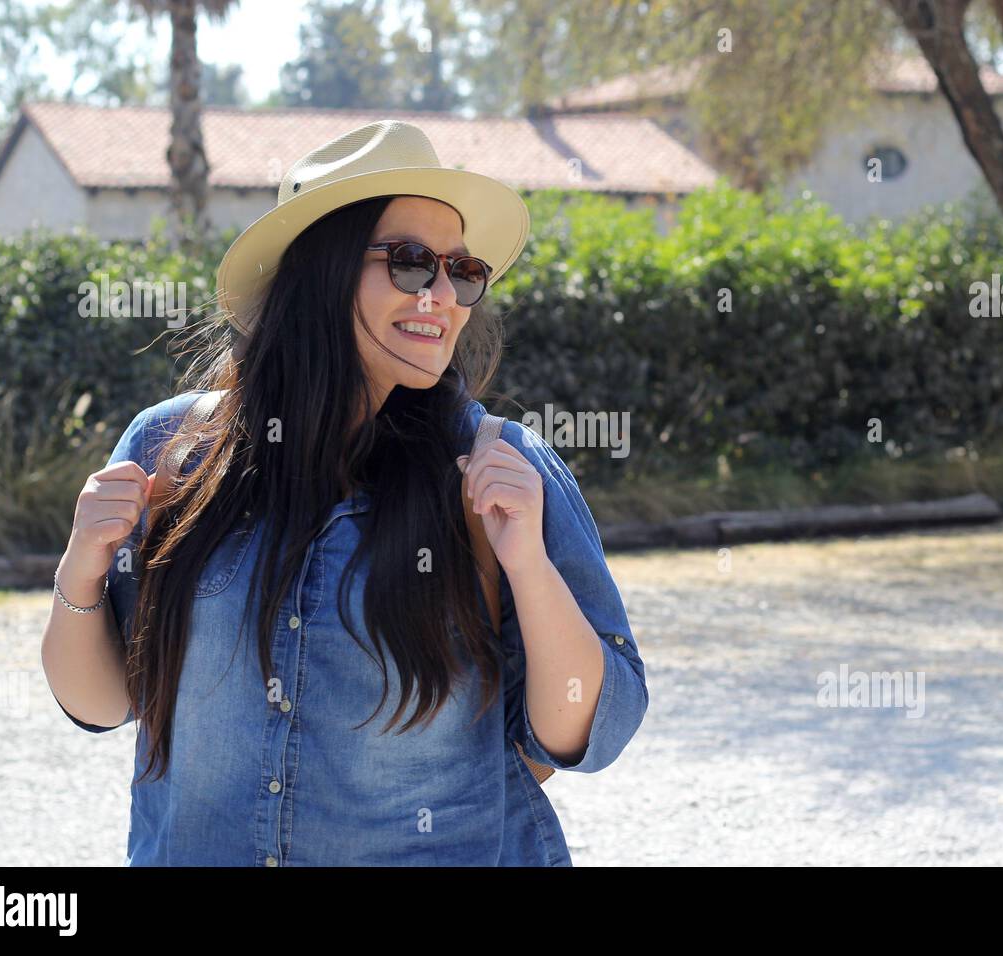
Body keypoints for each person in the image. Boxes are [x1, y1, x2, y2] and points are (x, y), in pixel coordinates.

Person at [40, 119, 649, 866]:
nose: (443, 295)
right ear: (320, 270)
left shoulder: (499, 468)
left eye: (462, 270)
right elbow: (104, 706)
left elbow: (584, 733)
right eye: (412, 262)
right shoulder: (170, 452)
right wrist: (80, 571)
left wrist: (528, 564)